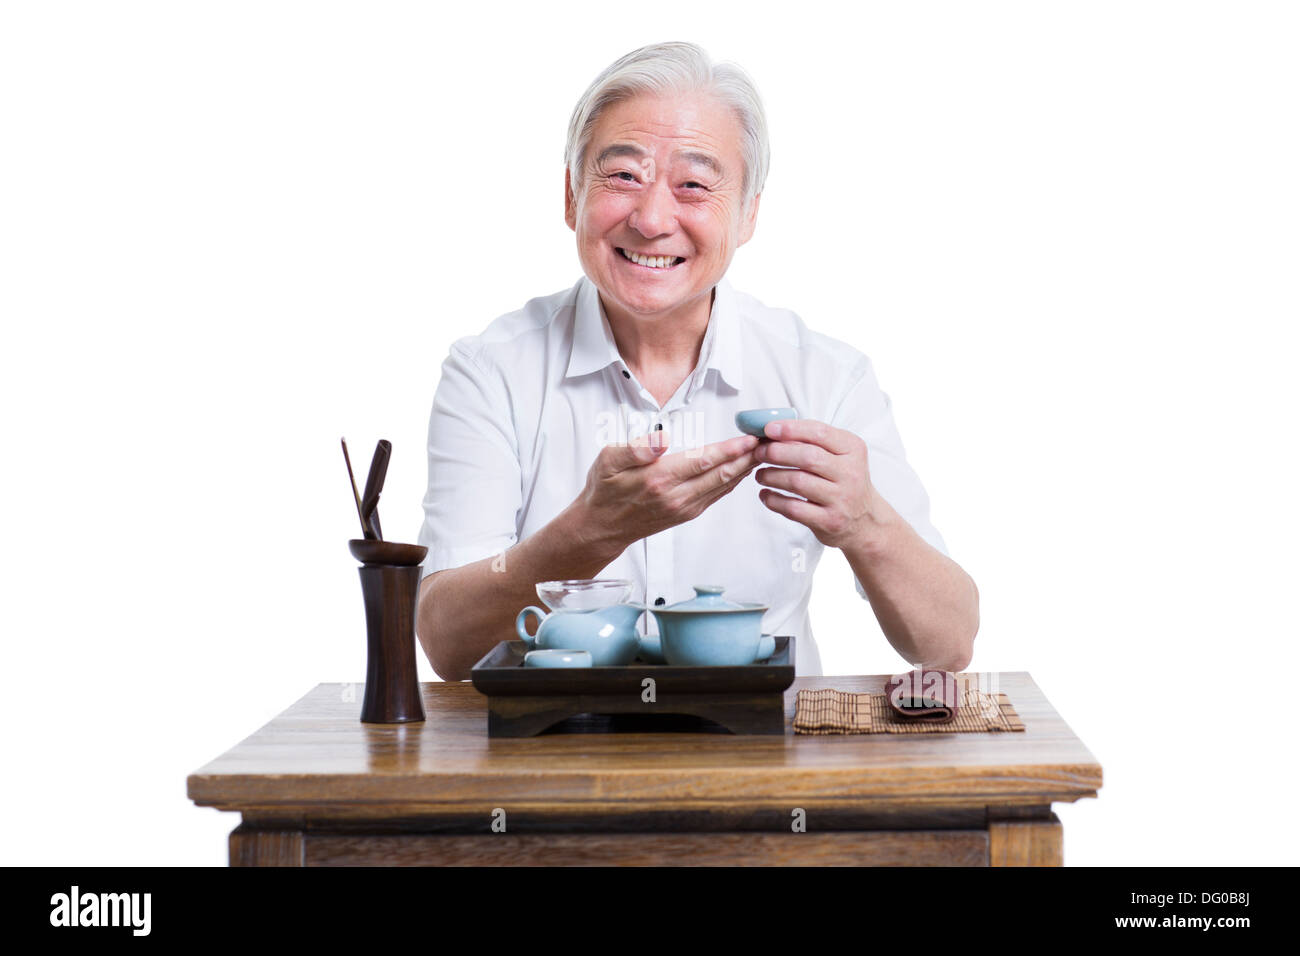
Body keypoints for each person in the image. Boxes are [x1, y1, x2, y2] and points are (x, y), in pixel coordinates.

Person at [416, 41, 978, 681]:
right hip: (555, 761)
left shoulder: (827, 377)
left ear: (747, 216)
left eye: (693, 186)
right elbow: (445, 643)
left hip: (765, 764)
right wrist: (588, 533)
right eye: (623, 176)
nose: (653, 218)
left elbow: (949, 644)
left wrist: (866, 521)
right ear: (571, 195)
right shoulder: (491, 371)